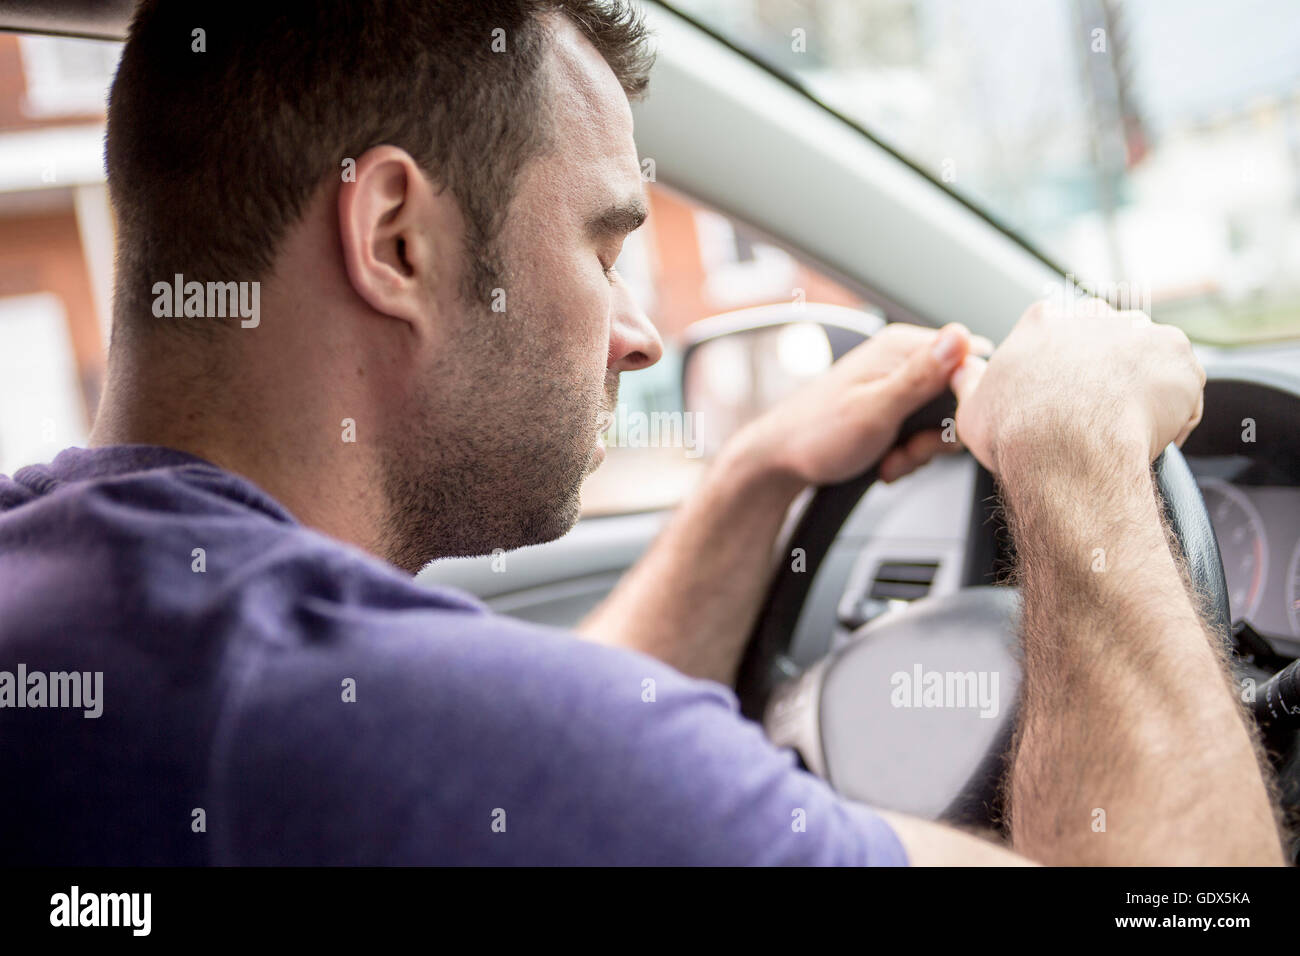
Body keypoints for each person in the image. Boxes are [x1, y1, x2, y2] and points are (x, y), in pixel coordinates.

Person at [0, 0, 1284, 865]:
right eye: (603, 241)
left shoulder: (83, 598)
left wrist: (753, 479)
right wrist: (1077, 459)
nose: (640, 332)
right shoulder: (349, 722)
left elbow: (513, 738)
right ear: (398, 236)